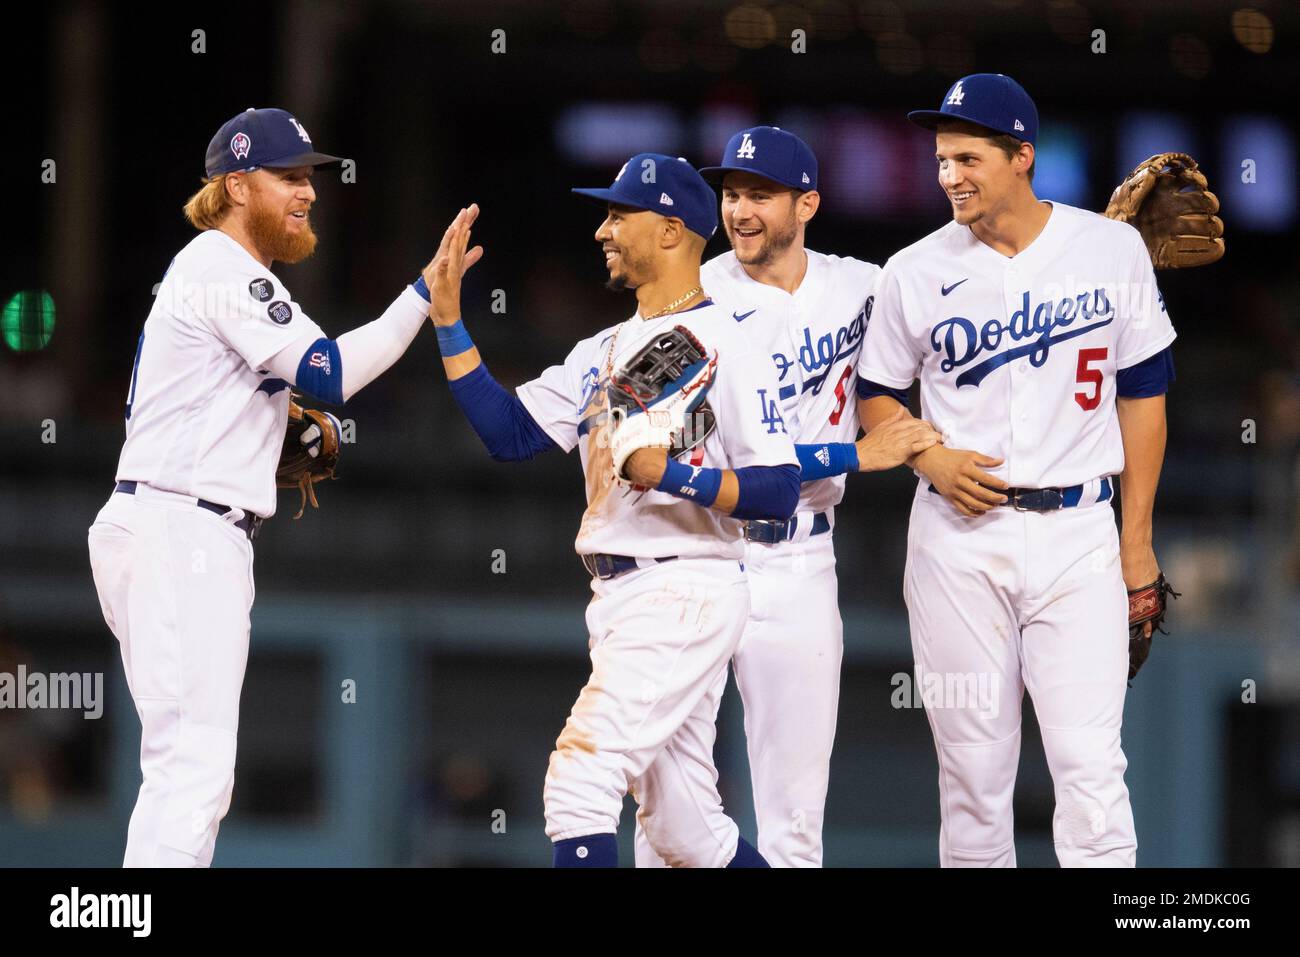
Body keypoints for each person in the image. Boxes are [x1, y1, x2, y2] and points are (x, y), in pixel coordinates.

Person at [87, 107, 470, 866]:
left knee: (182, 771)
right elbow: (328, 373)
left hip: (173, 522)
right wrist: (423, 294)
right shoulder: (221, 266)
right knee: (192, 772)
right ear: (236, 183)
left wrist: (264, 432)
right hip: (182, 531)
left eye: (310, 178)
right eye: (289, 177)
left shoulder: (209, 272)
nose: (309, 193)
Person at [430, 154, 802, 867]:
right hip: (619, 591)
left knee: (578, 782)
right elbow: (511, 435)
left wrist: (677, 475)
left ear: (670, 230)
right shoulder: (600, 350)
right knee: (686, 832)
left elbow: (779, 489)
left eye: (617, 214)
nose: (602, 230)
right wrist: (450, 323)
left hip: (683, 584)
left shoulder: (730, 343)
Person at [856, 74, 1175, 866]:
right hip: (956, 543)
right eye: (941, 161)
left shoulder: (1111, 247)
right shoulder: (913, 269)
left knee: (1093, 773)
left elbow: (1144, 397)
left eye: (967, 158)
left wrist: (1136, 541)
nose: (949, 176)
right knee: (972, 779)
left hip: (1079, 537)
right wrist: (927, 451)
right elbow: (875, 397)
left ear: (1022, 156)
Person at [633, 127, 939, 867]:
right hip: (701, 553)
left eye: (759, 195)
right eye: (732, 194)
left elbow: (973, 302)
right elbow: (664, 445)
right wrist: (850, 453)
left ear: (807, 203)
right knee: (667, 816)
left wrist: (1103, 247)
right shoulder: (688, 297)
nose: (739, 209)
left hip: (802, 557)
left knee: (795, 818)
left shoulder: (864, 285)